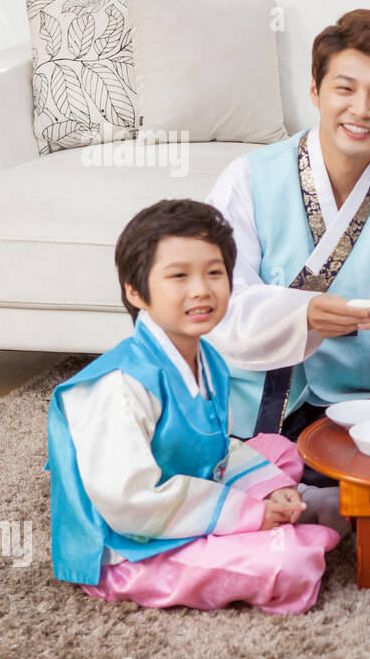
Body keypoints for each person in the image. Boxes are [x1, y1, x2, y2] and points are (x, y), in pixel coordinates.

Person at [206, 9, 370, 507]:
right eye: (345, 89)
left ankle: (298, 492)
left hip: (353, 399)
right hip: (248, 391)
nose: (361, 109)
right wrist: (299, 314)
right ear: (316, 91)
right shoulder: (247, 179)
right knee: (189, 458)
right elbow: (217, 301)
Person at [46, 200, 340, 614]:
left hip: (188, 486)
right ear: (135, 290)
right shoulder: (117, 387)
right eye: (179, 275)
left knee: (277, 450)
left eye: (214, 273)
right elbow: (130, 502)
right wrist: (250, 515)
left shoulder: (210, 361)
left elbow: (220, 449)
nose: (201, 289)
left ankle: (294, 506)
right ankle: (284, 530)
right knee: (287, 564)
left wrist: (271, 490)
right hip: (129, 543)